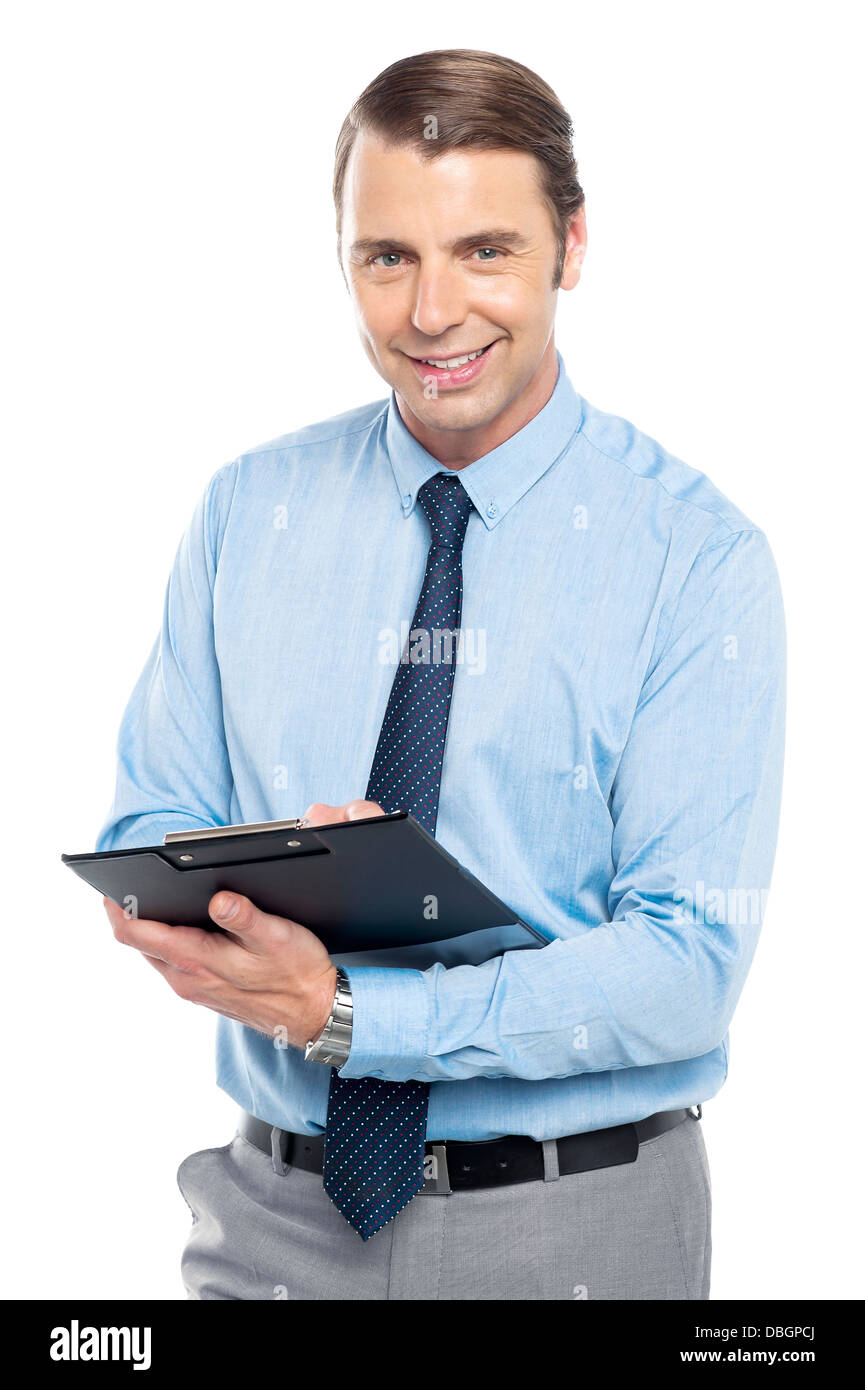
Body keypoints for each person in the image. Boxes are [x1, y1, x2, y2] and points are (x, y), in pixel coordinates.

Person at [98, 48, 785, 1301]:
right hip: (269, 1225)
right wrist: (276, 883)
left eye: (486, 251)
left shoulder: (696, 559)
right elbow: (151, 826)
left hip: (575, 1224)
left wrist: (353, 1006)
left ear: (570, 246)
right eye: (388, 257)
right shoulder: (250, 514)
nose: (430, 314)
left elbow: (688, 965)